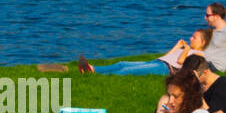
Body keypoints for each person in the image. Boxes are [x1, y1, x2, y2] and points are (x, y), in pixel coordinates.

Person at [81, 28, 210, 76]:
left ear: (202, 42)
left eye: (194, 38)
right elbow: (166, 56)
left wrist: (186, 49)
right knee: (123, 63)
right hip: (159, 62)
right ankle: (93, 69)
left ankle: (99, 76)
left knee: (127, 71)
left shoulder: (198, 55)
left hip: (165, 68)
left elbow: (181, 62)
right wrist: (177, 47)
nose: (190, 38)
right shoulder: (187, 49)